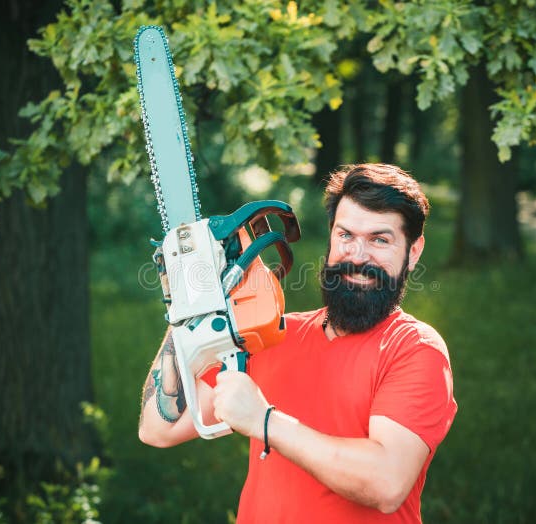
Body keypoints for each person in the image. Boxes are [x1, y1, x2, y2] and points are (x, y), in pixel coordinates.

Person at [139, 163, 457, 523]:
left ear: (413, 252)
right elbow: (159, 428)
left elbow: (385, 483)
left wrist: (264, 421)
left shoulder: (414, 349)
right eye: (346, 235)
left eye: (379, 240)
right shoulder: (273, 335)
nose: (357, 255)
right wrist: (186, 311)